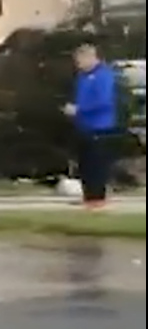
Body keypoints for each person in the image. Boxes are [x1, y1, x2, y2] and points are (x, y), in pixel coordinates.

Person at [62, 43, 119, 208]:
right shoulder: (82, 77)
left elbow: (104, 101)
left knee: (97, 163)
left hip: (100, 126)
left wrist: (79, 109)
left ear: (91, 57)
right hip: (83, 126)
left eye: (80, 60)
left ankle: (98, 197)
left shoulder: (103, 76)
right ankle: (89, 196)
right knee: (85, 163)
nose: (77, 64)